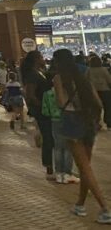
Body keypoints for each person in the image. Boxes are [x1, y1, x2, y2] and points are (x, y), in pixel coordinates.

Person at [53, 48, 111, 223]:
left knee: (84, 168)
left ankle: (105, 209)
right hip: (88, 120)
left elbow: (61, 103)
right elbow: (98, 102)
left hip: (71, 122)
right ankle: (80, 204)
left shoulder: (58, 78)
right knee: (86, 166)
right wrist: (98, 120)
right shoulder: (83, 75)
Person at [22, 50, 55, 180]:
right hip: (42, 110)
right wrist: (43, 105)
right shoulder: (32, 75)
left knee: (49, 136)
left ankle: (51, 164)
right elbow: (30, 95)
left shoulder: (39, 73)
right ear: (36, 59)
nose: (43, 58)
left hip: (44, 108)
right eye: (41, 56)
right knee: (48, 136)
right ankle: (49, 166)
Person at [41, 82, 79, 185]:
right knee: (68, 147)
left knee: (58, 147)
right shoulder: (67, 93)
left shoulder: (47, 94)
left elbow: (45, 111)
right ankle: (67, 172)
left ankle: (58, 173)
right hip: (68, 119)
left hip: (54, 120)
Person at [86, 56, 111, 129]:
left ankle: (97, 123)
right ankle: (109, 123)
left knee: (96, 108)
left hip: (93, 91)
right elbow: (109, 80)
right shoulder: (103, 69)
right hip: (105, 90)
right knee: (108, 107)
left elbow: (86, 80)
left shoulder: (89, 70)